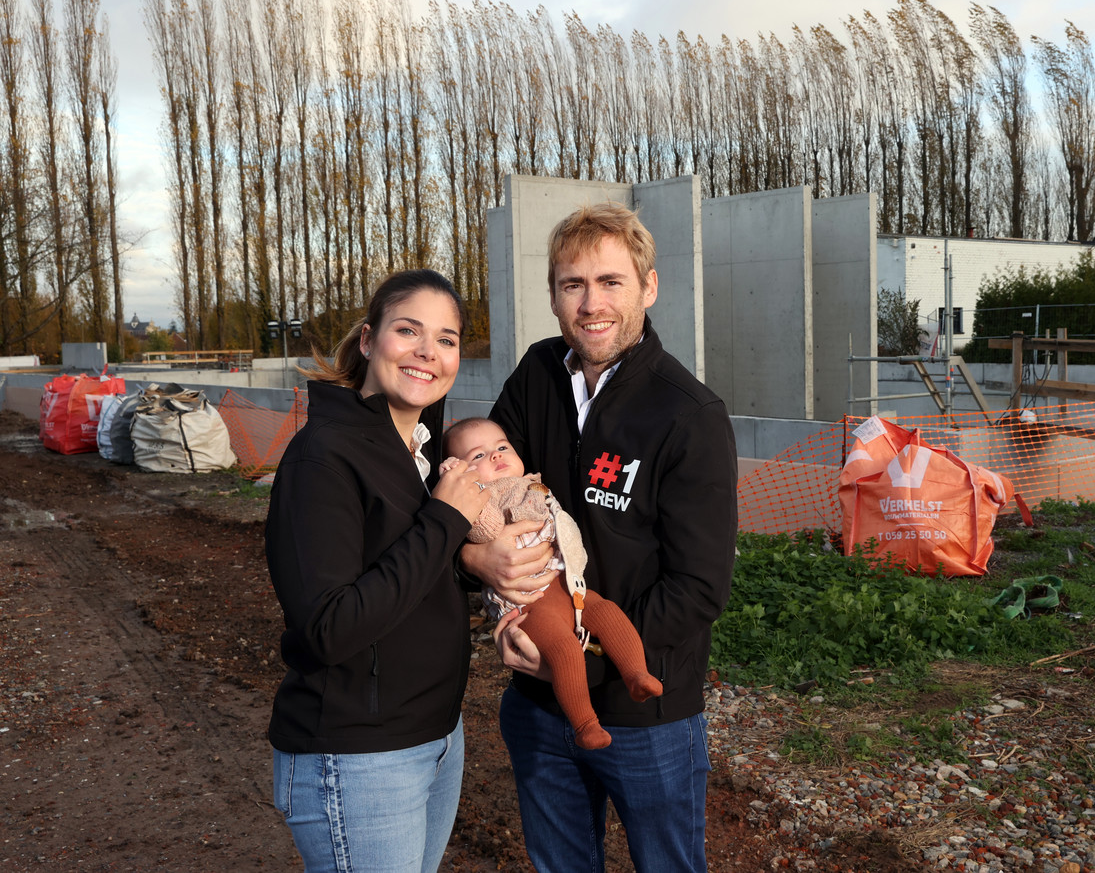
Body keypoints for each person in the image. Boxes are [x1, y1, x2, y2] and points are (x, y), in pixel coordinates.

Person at [461, 202, 739, 872]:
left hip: (651, 716)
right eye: (573, 285)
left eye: (611, 282)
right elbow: (477, 497)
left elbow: (699, 589)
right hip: (538, 705)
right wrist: (483, 565)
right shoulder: (536, 376)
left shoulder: (689, 416)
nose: (592, 304)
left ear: (648, 286)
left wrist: (582, 656)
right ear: (554, 295)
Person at [265, 269, 489, 873]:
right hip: (357, 756)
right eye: (408, 330)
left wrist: (478, 563)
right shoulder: (322, 457)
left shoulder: (420, 448)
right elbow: (330, 626)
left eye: (447, 339)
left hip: (437, 737)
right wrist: (444, 521)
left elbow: (413, 578)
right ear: (368, 340)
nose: (428, 352)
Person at [443, 417, 663, 750]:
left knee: (606, 610)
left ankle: (637, 674)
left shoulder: (533, 485)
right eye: (478, 456)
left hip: (566, 584)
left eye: (502, 447)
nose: (494, 456)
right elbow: (481, 532)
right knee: (563, 648)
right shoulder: (480, 498)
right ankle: (586, 724)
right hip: (529, 604)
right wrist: (460, 485)